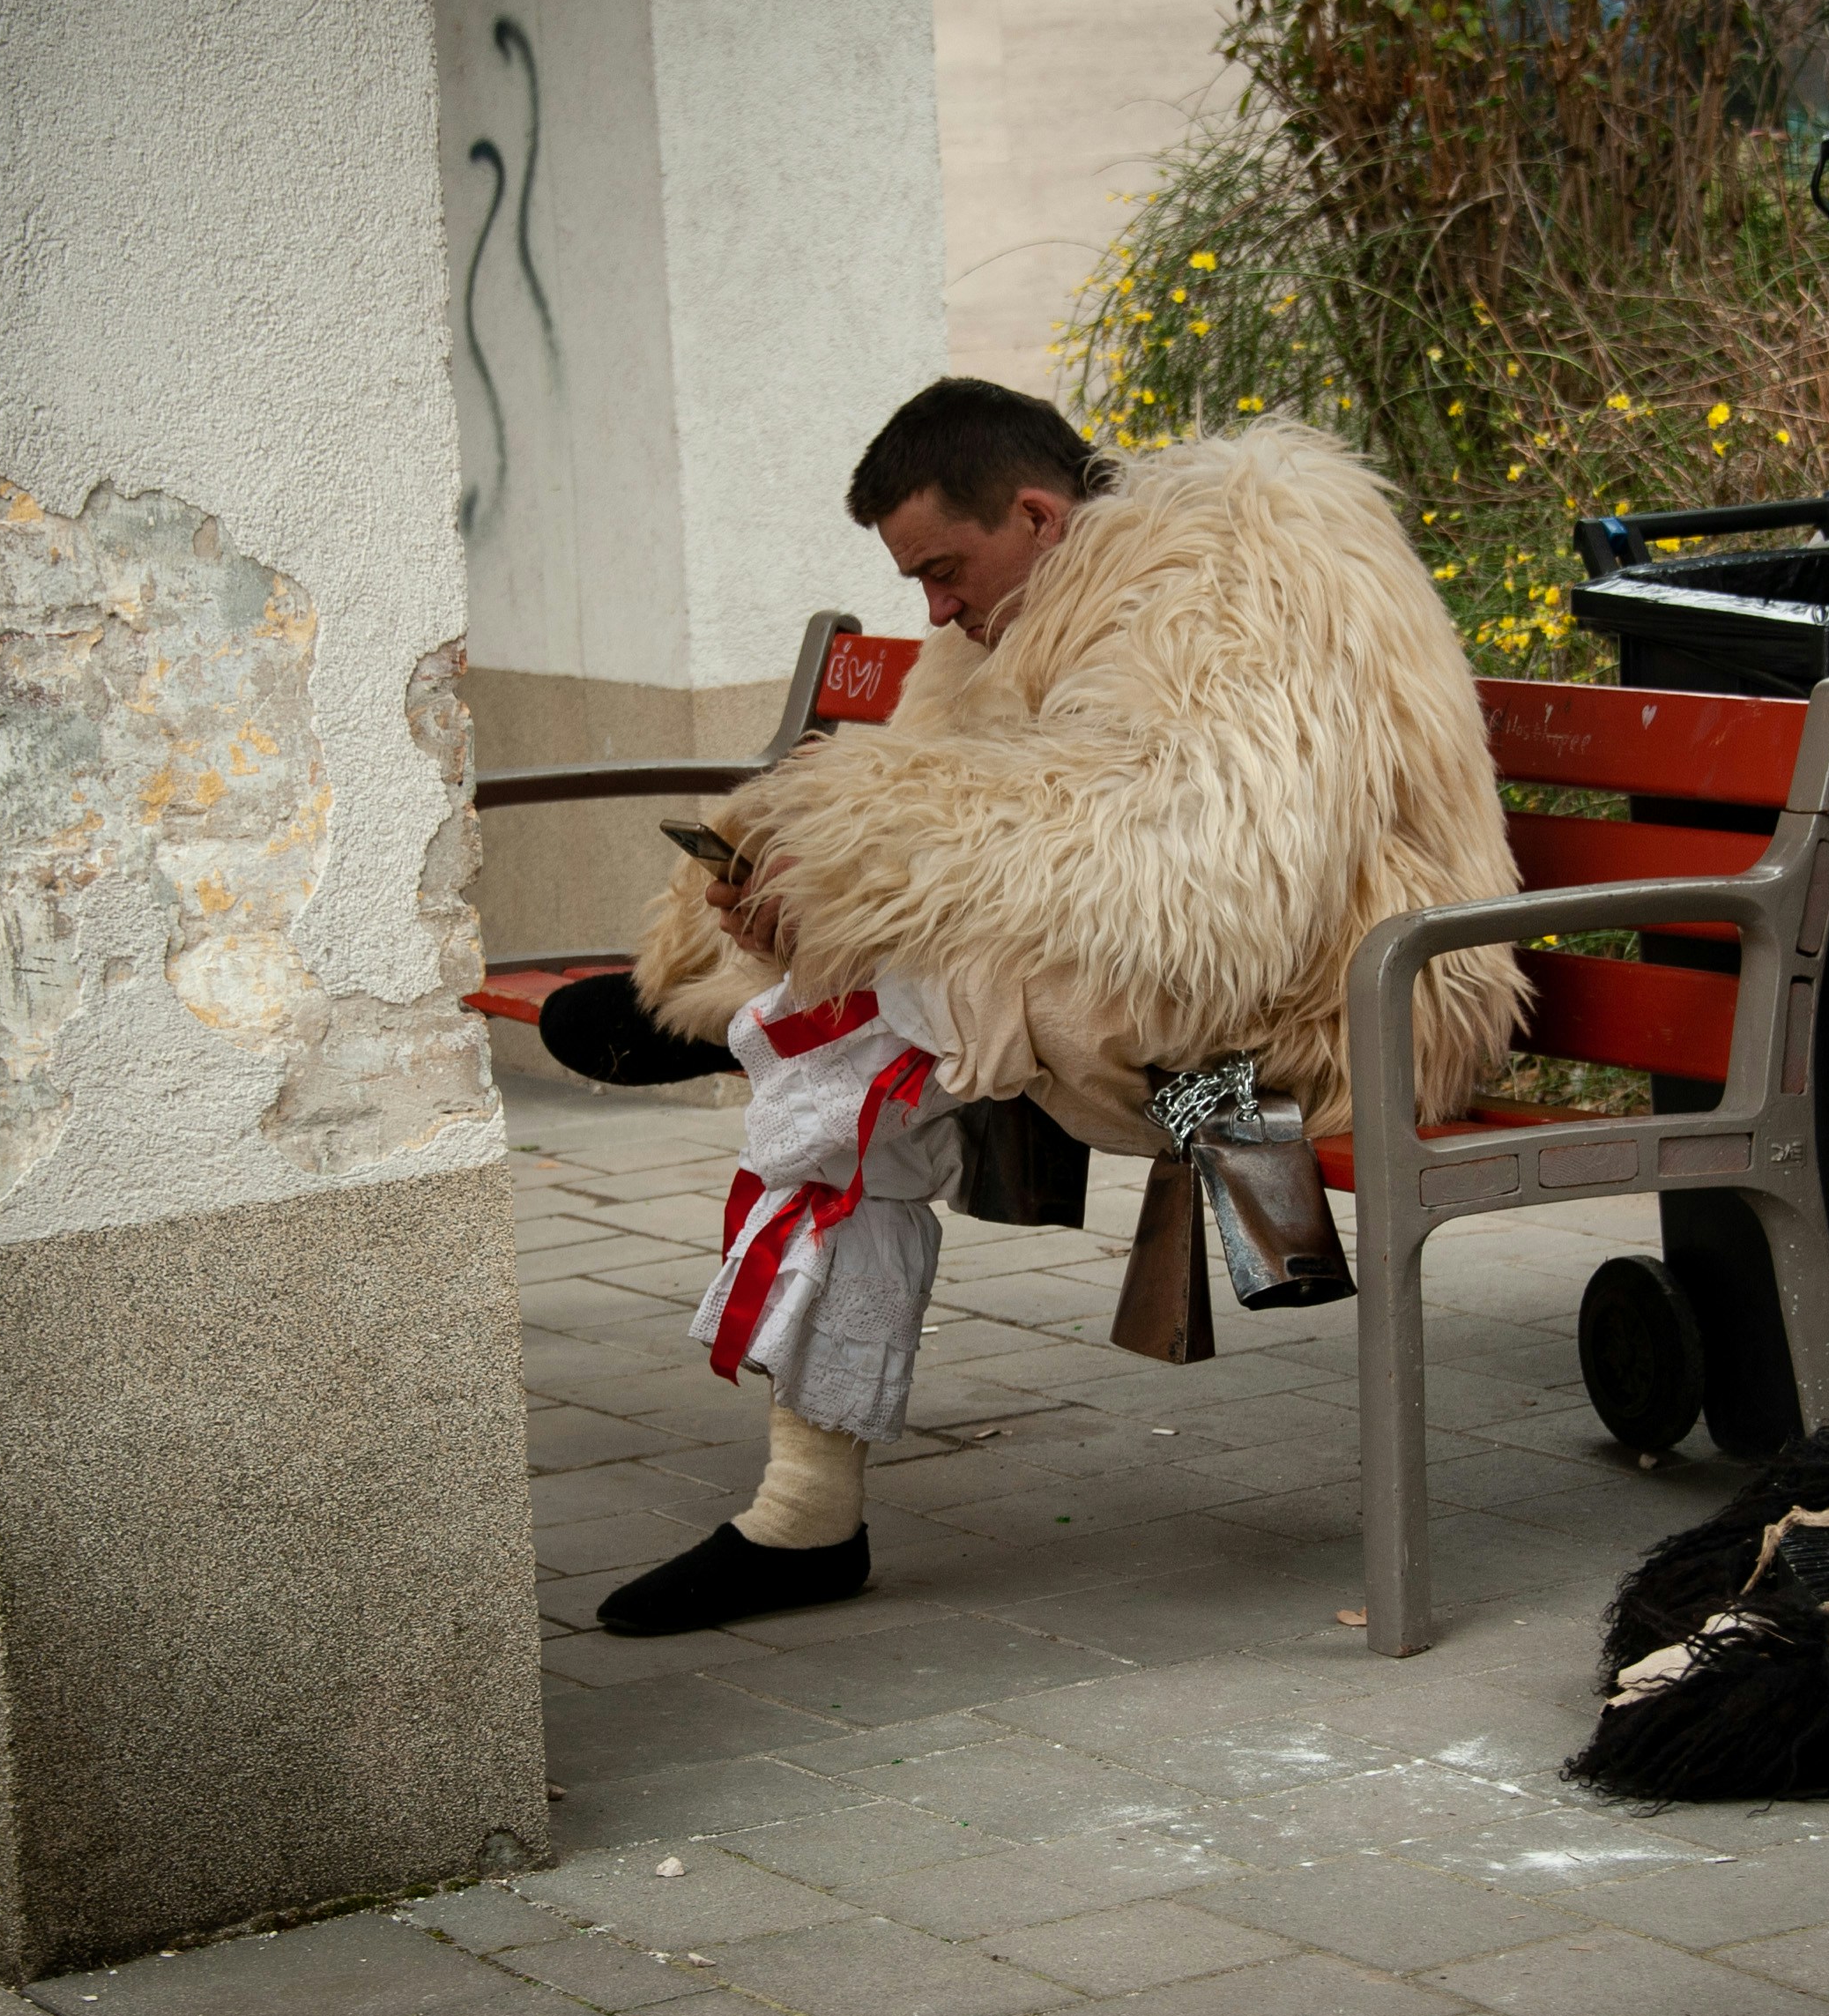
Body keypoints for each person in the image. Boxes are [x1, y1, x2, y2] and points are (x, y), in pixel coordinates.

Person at [541, 378, 1523, 1633]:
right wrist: (823, 885)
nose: (937, 610)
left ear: (1037, 513)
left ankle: (804, 1511)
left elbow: (1200, 879)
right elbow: (1015, 818)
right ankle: (776, 1017)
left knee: (843, 1041)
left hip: (1330, 1008)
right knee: (849, 1046)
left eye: (946, 570)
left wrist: (855, 880)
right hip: (1187, 988)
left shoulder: (1232, 579)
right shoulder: (1050, 599)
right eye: (916, 584)